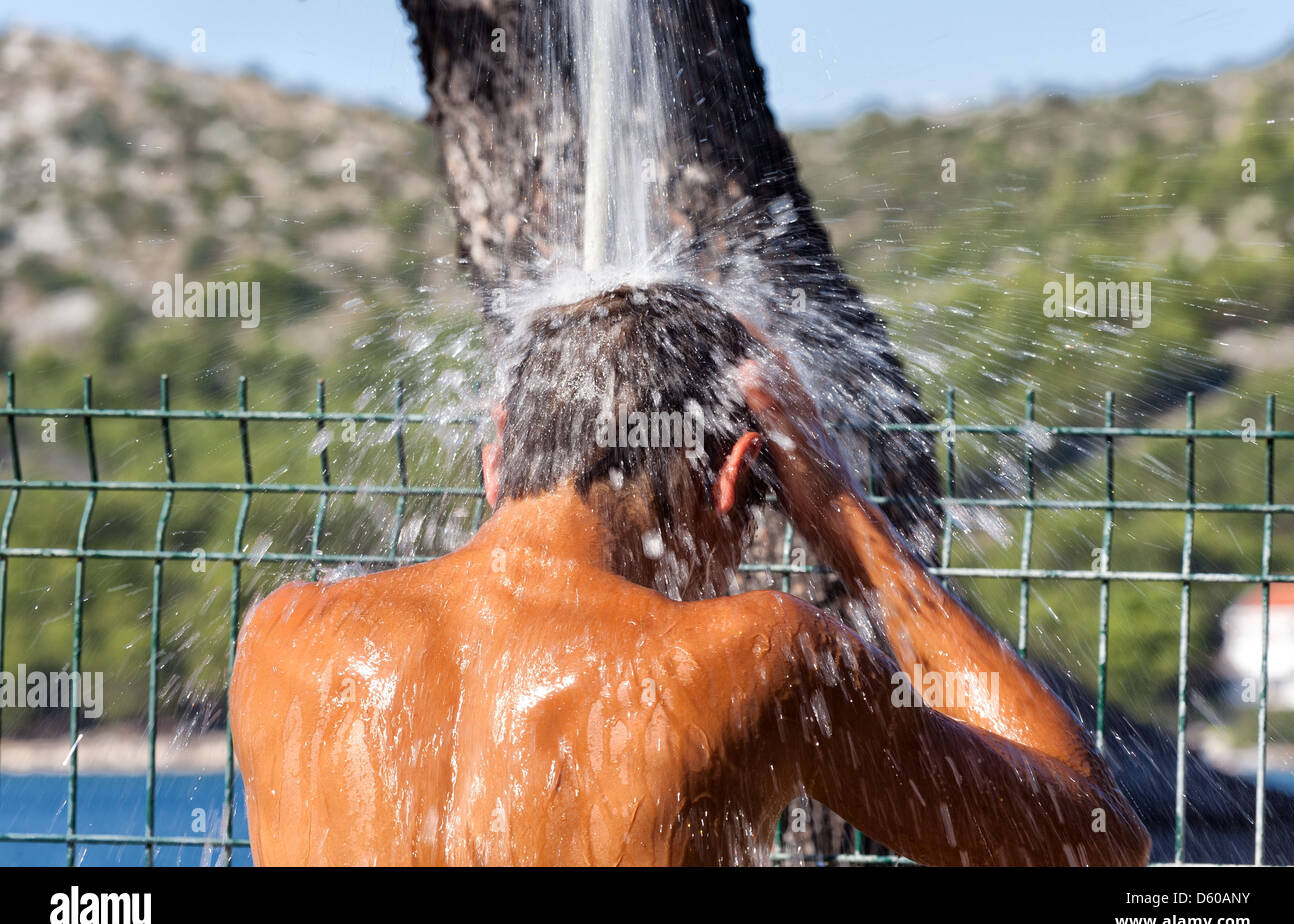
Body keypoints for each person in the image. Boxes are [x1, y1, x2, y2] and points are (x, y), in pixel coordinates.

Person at [230, 284, 1150, 866]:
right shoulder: (757, 652)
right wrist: (850, 529)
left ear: (497, 453)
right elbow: (1094, 842)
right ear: (733, 476)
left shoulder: (283, 639)